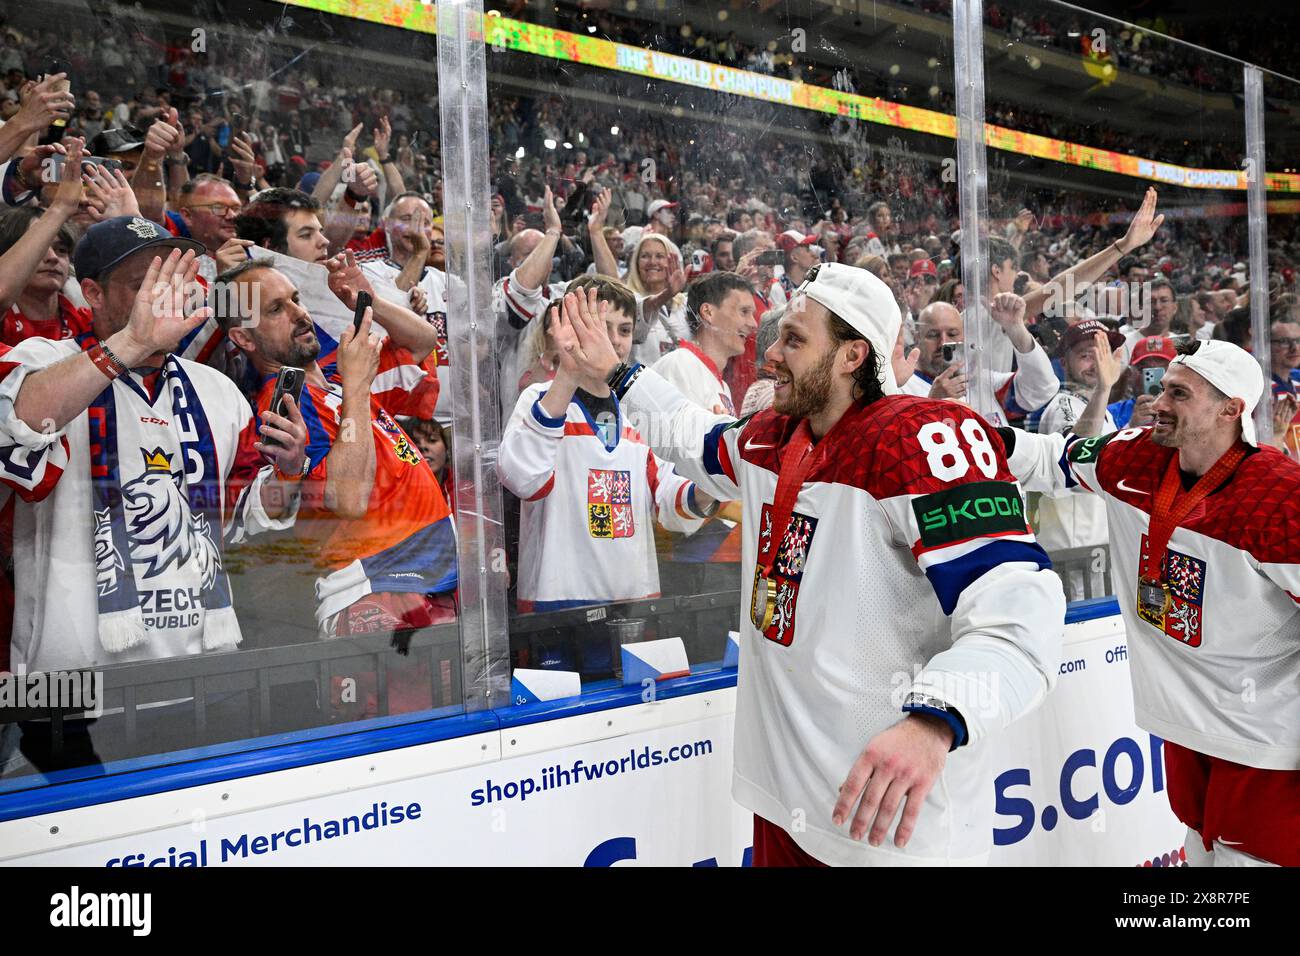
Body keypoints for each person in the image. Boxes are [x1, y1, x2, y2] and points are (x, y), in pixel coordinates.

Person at [560, 260, 1064, 865]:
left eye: (794, 339)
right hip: (786, 800)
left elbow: (1019, 610)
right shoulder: (771, 435)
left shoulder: (921, 439)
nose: (770, 351)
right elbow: (690, 436)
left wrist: (937, 721)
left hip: (887, 824)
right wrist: (615, 371)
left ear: (853, 355)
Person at [1004, 339, 1300, 867]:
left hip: (1267, 748)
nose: (1158, 403)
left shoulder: (1277, 498)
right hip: (1185, 730)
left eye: (1179, 394)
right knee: (1199, 851)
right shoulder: (1134, 458)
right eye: (1163, 389)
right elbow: (1057, 459)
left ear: (1230, 409)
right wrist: (979, 440)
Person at [0, 214, 307, 674]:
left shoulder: (217, 389)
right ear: (94, 293)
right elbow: (21, 425)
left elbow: (245, 521)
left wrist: (287, 471)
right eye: (146, 284)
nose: (166, 295)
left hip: (200, 671)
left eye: (176, 279)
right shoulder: (44, 361)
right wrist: (130, 343)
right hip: (74, 682)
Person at [215, 258, 456, 644]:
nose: (299, 313)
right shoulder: (282, 407)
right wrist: (358, 386)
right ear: (244, 339)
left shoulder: (337, 382)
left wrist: (370, 300)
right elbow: (347, 496)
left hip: (421, 576)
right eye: (276, 309)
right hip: (376, 589)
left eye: (295, 299)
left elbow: (423, 342)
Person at [498, 276, 714, 614]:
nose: (613, 341)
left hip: (632, 598)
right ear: (571, 326)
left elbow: (670, 498)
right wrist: (567, 375)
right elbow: (523, 479)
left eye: (625, 331)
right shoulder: (540, 400)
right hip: (556, 601)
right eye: (601, 327)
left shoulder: (639, 408)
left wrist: (718, 475)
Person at [900, 299, 1058, 427]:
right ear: (916, 338)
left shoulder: (981, 381)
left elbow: (1041, 388)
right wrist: (932, 403)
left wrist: (1015, 327)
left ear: (964, 338)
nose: (944, 342)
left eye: (952, 334)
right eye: (933, 335)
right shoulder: (902, 388)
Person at [652, 272, 755, 415]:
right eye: (744, 312)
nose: (753, 323)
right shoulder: (679, 364)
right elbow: (669, 434)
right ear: (708, 312)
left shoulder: (723, 386)